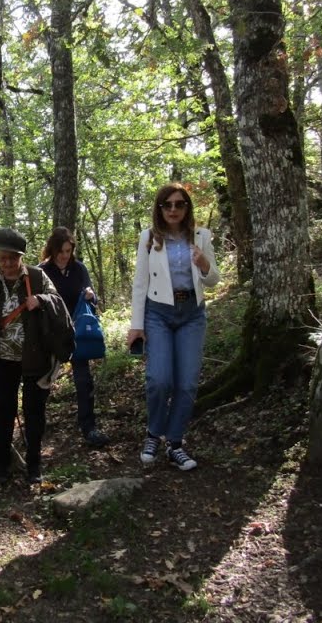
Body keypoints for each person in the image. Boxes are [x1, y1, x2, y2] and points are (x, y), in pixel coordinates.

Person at [0, 228, 72, 485]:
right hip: (1, 358)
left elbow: (58, 301)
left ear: (21, 256)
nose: (7, 263)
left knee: (34, 412)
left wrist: (40, 300)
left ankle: (34, 464)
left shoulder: (37, 276)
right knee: (3, 411)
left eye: (13, 258)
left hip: (35, 357)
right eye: (2, 258)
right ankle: (2, 461)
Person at [125, 183, 221, 471]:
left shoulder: (201, 237)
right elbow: (140, 282)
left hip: (192, 313)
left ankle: (175, 443)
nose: (174, 210)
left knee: (188, 382)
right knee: (159, 379)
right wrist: (136, 325)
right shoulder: (148, 238)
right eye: (168, 205)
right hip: (159, 313)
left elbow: (214, 279)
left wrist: (204, 264)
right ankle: (154, 434)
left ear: (187, 207)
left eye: (180, 204)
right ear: (159, 208)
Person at [40, 227, 110, 448]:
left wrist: (92, 295)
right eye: (60, 251)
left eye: (68, 251)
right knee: (41, 382)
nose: (64, 255)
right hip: (51, 333)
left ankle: (89, 428)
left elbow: (92, 297)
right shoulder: (42, 270)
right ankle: (38, 429)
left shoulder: (79, 269)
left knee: (83, 380)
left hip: (77, 331)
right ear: (52, 249)